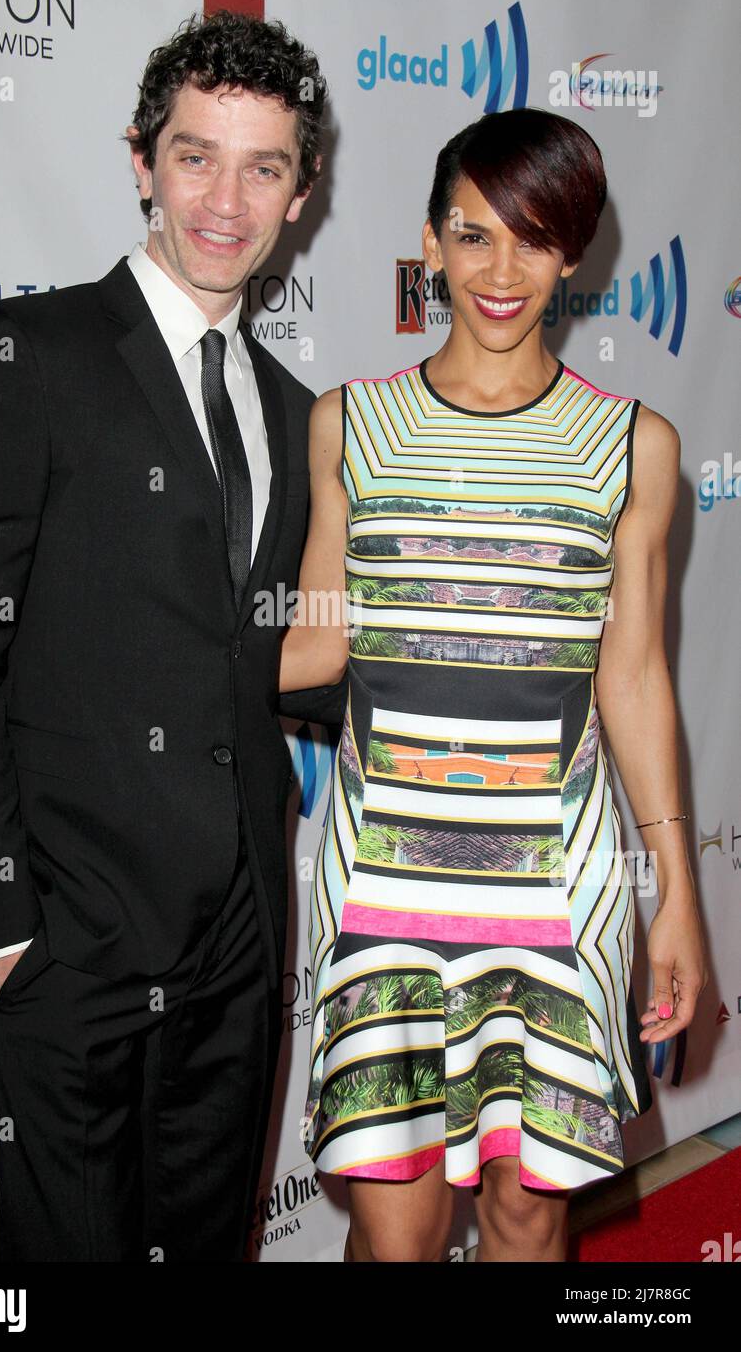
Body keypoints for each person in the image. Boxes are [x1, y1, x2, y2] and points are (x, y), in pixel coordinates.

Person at [0, 9, 345, 1263]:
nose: (224, 197)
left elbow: (272, 655)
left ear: (301, 194)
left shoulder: (297, 411)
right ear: (139, 159)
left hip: (239, 946)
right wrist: (6, 942)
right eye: (194, 154)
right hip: (71, 943)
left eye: (263, 166)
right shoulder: (26, 353)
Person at [281, 107, 708, 1262]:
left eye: (533, 237)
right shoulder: (347, 425)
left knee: (527, 1217)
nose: (501, 271)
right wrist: (122, 654)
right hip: (380, 881)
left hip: (557, 889)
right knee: (395, 1222)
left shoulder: (634, 446)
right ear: (428, 243)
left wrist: (672, 890)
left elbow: (629, 676)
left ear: (572, 252)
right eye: (472, 236)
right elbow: (314, 642)